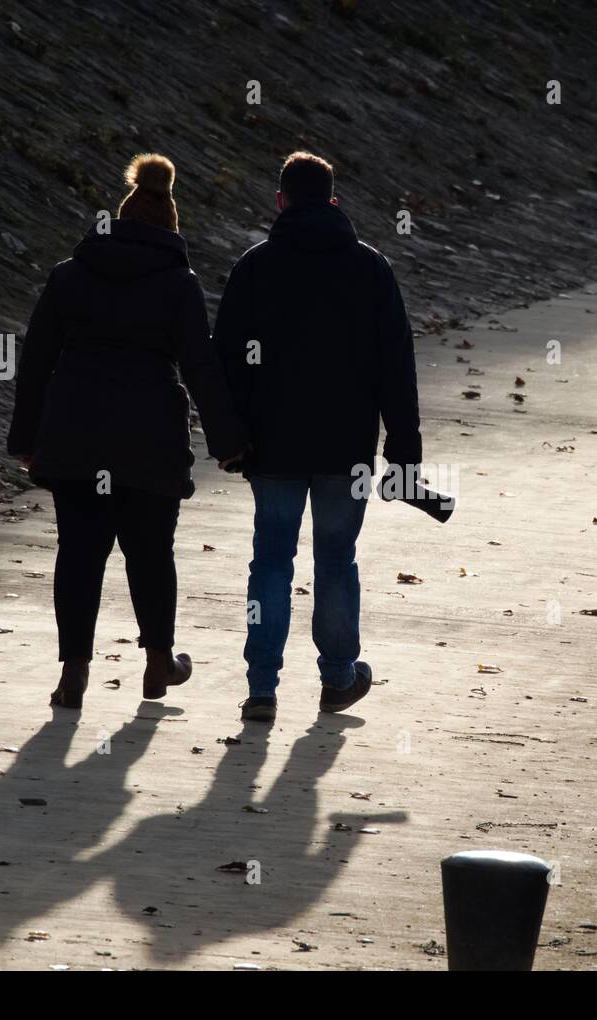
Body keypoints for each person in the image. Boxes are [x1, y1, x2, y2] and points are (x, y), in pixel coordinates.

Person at [8, 154, 247, 709]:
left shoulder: (69, 274)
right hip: (149, 440)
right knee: (151, 553)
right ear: (171, 225)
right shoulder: (177, 284)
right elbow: (199, 365)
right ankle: (159, 663)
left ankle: (74, 675)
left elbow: (37, 359)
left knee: (79, 554)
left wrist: (26, 439)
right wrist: (229, 442)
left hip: (75, 433)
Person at [213, 151, 422, 722]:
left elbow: (223, 361)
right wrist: (403, 453)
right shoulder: (371, 268)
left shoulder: (254, 267)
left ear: (280, 200)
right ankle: (336, 680)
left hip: (272, 446)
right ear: (334, 201)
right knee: (335, 561)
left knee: (271, 563)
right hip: (344, 450)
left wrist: (229, 437)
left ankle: (261, 688)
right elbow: (395, 368)